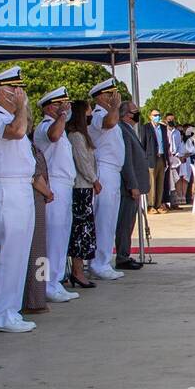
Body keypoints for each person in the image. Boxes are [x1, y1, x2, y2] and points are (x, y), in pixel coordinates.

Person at [0, 66, 37, 333]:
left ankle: (10, 310)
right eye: (16, 89)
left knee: (19, 253)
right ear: (3, 92)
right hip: (7, 189)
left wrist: (21, 108)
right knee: (8, 254)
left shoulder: (12, 116)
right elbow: (15, 132)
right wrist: (20, 108)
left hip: (21, 188)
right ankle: (1, 313)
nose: (21, 93)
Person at [34, 87, 79, 303]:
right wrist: (61, 116)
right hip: (54, 187)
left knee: (60, 237)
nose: (67, 109)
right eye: (62, 105)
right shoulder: (45, 127)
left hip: (64, 186)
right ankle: (47, 284)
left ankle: (55, 281)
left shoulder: (57, 127)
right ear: (51, 106)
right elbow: (53, 135)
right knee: (51, 238)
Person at [88, 78, 126, 280]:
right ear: (102, 97)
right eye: (111, 94)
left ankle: (103, 260)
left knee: (109, 219)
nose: (115, 98)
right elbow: (109, 123)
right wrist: (116, 108)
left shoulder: (107, 113)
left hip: (113, 170)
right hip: (104, 169)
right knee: (103, 219)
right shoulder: (99, 114)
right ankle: (98, 263)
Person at [66, 100, 99, 289]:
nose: (91, 114)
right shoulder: (76, 136)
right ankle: (77, 271)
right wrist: (95, 180)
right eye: (88, 111)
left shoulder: (81, 135)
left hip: (85, 187)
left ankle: (79, 270)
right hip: (81, 187)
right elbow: (83, 162)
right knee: (80, 231)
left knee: (85, 231)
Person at [116, 102, 150, 270]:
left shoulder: (129, 129)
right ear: (126, 114)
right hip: (128, 187)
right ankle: (122, 256)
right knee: (125, 223)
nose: (138, 114)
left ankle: (125, 253)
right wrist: (132, 185)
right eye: (135, 112)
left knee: (129, 222)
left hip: (133, 185)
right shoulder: (122, 131)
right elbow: (127, 161)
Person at [22, 136, 53, 316]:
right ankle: (33, 299)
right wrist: (47, 192)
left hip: (40, 197)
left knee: (41, 252)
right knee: (36, 252)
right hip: (35, 196)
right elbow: (34, 174)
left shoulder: (30, 144)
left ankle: (39, 296)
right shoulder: (25, 145)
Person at [145, 108, 168, 212]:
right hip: (151, 158)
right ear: (150, 116)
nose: (157, 117)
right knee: (152, 182)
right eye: (154, 115)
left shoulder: (163, 128)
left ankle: (158, 204)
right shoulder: (146, 128)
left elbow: (165, 142)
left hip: (162, 157)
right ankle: (151, 205)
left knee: (160, 182)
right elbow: (143, 143)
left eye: (158, 115)